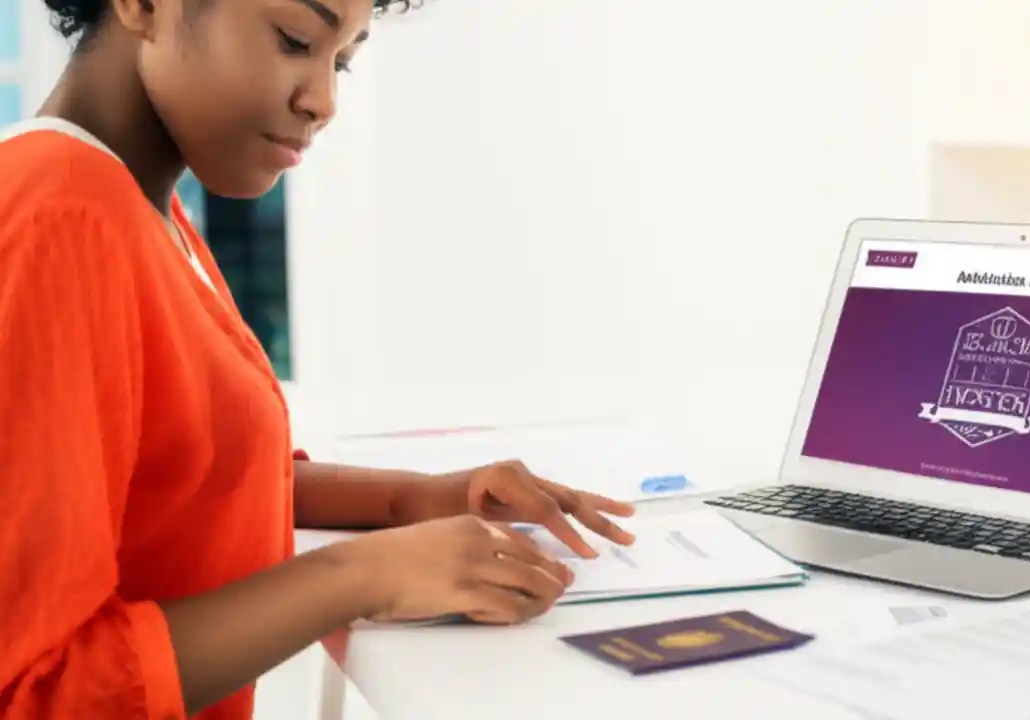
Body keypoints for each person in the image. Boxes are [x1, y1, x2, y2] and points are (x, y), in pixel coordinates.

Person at [0, 0, 637, 717]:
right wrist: (361, 575)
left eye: (342, 59)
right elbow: (36, 690)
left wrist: (415, 499)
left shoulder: (135, 206)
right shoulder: (60, 215)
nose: (323, 100)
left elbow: (185, 474)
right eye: (295, 39)